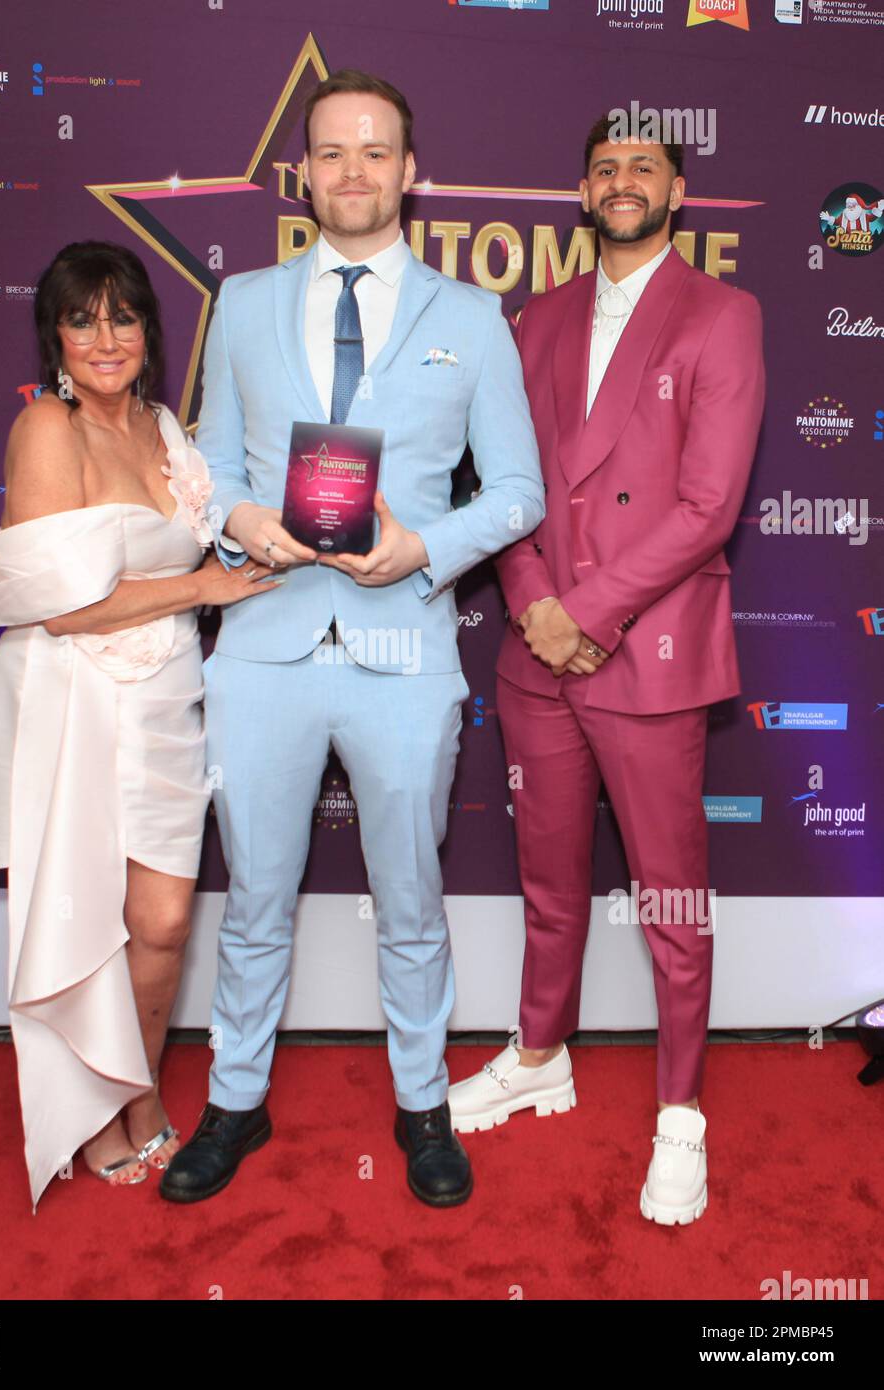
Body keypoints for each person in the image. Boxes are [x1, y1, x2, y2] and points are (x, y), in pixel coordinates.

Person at [160, 70, 543, 1209]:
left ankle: (422, 1103)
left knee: (412, 896)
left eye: (376, 152)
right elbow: (208, 464)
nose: (355, 172)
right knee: (255, 895)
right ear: (304, 173)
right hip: (264, 643)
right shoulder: (245, 299)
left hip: (402, 648)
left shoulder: (471, 320)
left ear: (410, 173)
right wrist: (243, 521)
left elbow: (517, 491)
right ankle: (236, 1098)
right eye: (332, 153)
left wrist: (422, 548)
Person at [448, 116, 765, 1226]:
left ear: (677, 189)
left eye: (645, 165)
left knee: (672, 896)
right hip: (542, 657)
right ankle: (541, 1052)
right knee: (549, 885)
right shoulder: (535, 317)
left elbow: (706, 505)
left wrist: (584, 610)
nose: (623, 180)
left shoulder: (724, 315)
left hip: (649, 652)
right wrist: (534, 605)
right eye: (605, 166)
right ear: (581, 190)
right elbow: (507, 478)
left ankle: (682, 1110)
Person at [0, 241, 278, 1208]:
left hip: (169, 696)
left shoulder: (169, 430)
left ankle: (136, 1089)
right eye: (82, 317)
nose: (106, 337)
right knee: (85, 916)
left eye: (123, 316)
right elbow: (59, 606)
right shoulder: (46, 429)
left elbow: (224, 525)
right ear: (55, 334)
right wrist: (204, 584)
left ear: (149, 328)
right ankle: (95, 1115)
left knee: (165, 922)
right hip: (76, 699)